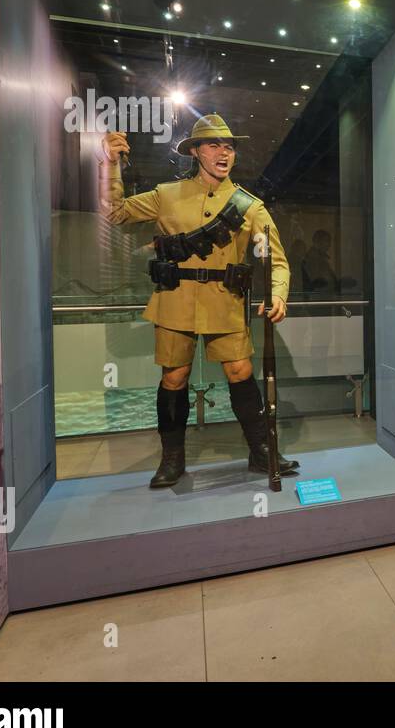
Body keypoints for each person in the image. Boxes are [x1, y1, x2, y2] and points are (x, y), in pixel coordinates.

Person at [100, 114, 299, 487]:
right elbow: (115, 213)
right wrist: (110, 165)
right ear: (195, 152)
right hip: (174, 300)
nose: (224, 152)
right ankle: (172, 461)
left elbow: (277, 259)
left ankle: (261, 453)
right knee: (174, 378)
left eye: (229, 146)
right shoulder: (166, 195)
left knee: (240, 373)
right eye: (214, 145)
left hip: (225, 301)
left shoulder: (249, 206)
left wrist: (278, 294)